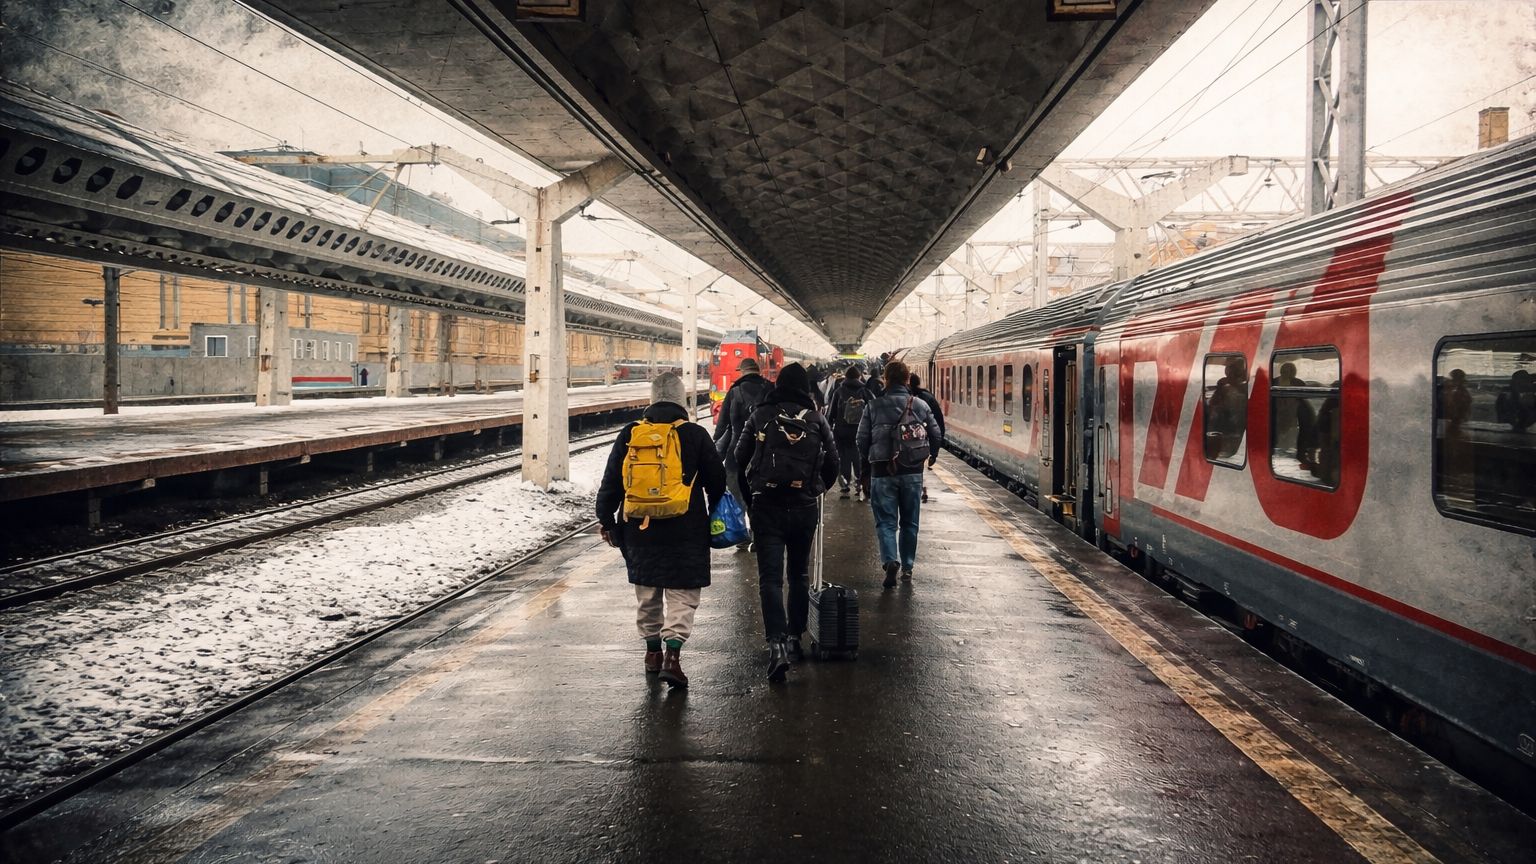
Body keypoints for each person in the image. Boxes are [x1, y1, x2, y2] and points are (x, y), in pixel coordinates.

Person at [595, 373, 727, 689]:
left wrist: (607, 520)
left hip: (639, 528)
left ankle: (652, 654)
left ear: (652, 400)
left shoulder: (631, 433)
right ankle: (673, 656)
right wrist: (712, 516)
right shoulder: (695, 434)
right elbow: (718, 483)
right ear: (682, 401)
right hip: (687, 528)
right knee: (683, 594)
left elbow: (612, 481)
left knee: (647, 590)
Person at [734, 363, 839, 681]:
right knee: (798, 575)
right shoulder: (817, 418)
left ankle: (776, 646)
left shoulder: (761, 415)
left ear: (778, 385)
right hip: (804, 507)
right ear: (804, 389)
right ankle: (795, 639)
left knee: (770, 580)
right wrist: (814, 487)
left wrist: (751, 499)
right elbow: (833, 463)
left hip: (767, 506)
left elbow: (739, 459)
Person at [857, 360, 943, 588]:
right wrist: (932, 455)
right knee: (909, 522)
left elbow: (861, 439)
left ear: (885, 380)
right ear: (907, 380)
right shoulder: (920, 405)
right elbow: (935, 433)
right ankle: (907, 567)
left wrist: (866, 466)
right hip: (912, 471)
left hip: (882, 471)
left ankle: (889, 560)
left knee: (885, 522)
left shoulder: (873, 407)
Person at [712, 358, 774, 548]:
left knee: (738, 493)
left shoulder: (734, 391)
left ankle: (742, 534)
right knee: (762, 495)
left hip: (737, 453)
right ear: (758, 371)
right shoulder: (771, 389)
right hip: (765, 452)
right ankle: (759, 534)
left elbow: (722, 425)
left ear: (742, 372)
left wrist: (715, 442)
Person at [826, 365, 874, 500]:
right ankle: (860, 483)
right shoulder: (865, 391)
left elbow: (831, 413)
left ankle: (845, 484)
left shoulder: (839, 391)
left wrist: (828, 428)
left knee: (843, 457)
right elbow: (874, 409)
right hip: (862, 431)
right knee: (860, 457)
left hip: (841, 431)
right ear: (859, 377)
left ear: (845, 377)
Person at [908, 373, 945, 503]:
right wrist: (935, 453)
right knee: (918, 467)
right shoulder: (927, 399)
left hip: (899, 446)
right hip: (922, 442)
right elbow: (938, 424)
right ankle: (918, 489)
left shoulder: (889, 397)